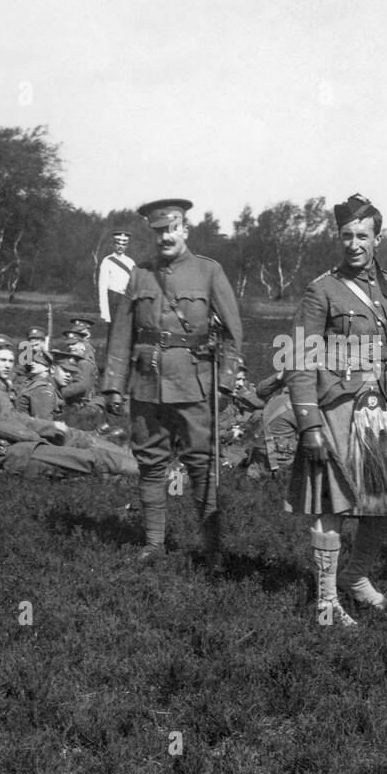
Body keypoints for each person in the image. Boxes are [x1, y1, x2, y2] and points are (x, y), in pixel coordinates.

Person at [286, 193, 387, 626]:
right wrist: (309, 425)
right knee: (333, 507)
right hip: (336, 409)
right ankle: (326, 601)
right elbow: (299, 358)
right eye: (346, 235)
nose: (354, 243)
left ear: (377, 238)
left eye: (362, 235)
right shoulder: (321, 289)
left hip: (379, 410)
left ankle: (356, 575)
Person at [101, 199, 243, 568]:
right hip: (147, 383)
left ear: (185, 230)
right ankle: (153, 544)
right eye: (159, 230)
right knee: (150, 463)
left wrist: (225, 383)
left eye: (172, 229)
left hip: (194, 384)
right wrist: (113, 384)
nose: (165, 236)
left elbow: (231, 332)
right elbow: (121, 333)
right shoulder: (140, 274)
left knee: (201, 463)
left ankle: (212, 549)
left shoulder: (208, 272)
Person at [0, 367, 123, 479]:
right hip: (22, 456)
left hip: (19, 457)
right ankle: (135, 470)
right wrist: (46, 440)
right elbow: (18, 432)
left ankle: (124, 467)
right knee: (88, 459)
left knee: (80, 463)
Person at [98, 229, 136, 328]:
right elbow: (102, 288)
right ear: (113, 244)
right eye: (118, 243)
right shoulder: (107, 261)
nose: (120, 246)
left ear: (127, 246)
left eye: (123, 244)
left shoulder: (130, 262)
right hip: (113, 300)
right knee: (113, 330)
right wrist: (105, 312)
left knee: (124, 330)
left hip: (126, 300)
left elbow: (133, 284)